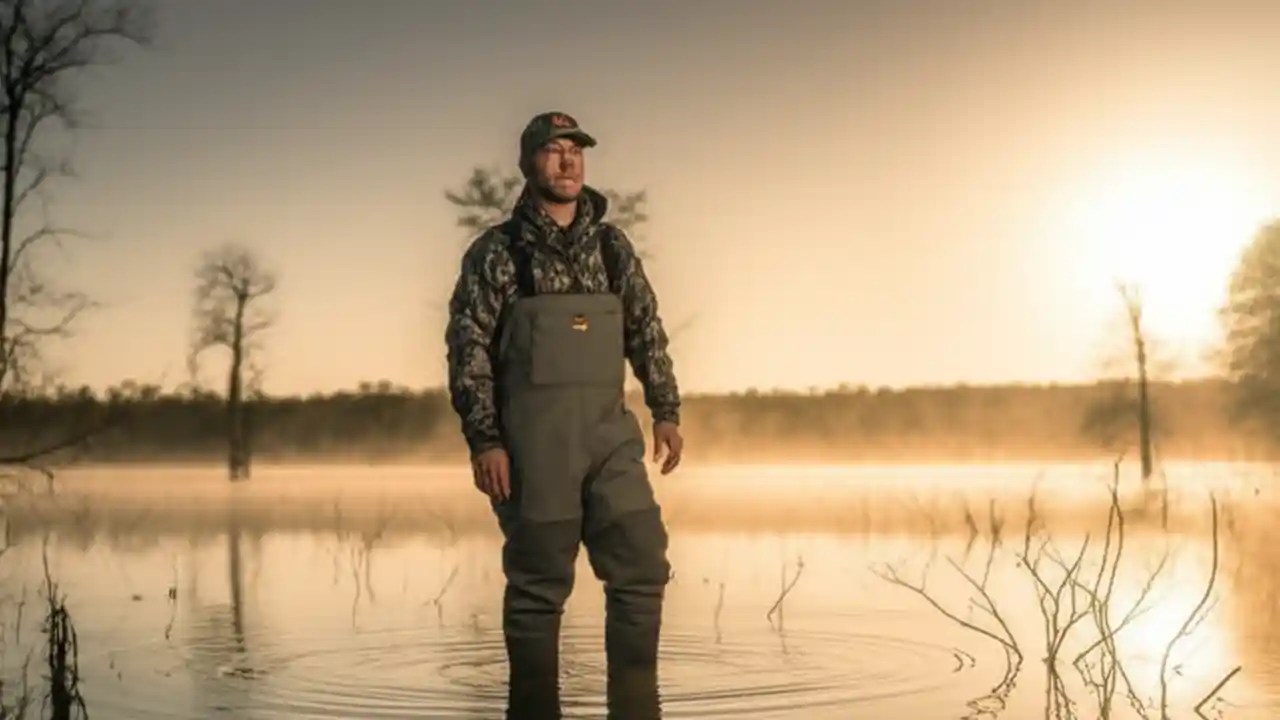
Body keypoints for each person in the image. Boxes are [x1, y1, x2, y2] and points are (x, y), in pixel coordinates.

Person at [444, 110, 685, 718]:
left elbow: (646, 329)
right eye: (553, 150)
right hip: (533, 448)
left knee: (643, 567)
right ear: (529, 163)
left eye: (576, 150)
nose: (568, 160)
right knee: (536, 590)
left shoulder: (611, 246)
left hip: (610, 442)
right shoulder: (497, 252)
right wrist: (485, 440)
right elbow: (466, 349)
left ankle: (635, 701)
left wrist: (665, 408)